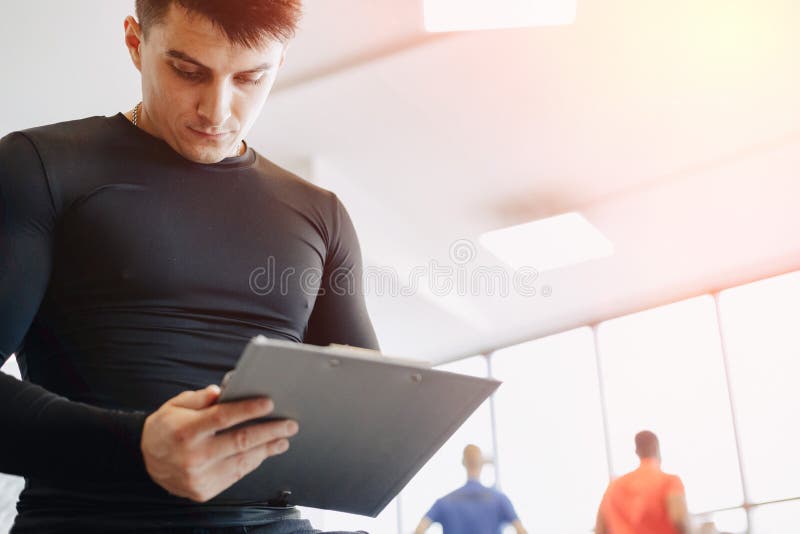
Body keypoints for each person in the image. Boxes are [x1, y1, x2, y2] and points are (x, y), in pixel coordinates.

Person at [0, 1, 380, 532]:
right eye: (187, 71)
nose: (217, 110)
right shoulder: (38, 167)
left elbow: (364, 418)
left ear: (281, 63)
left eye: (250, 77)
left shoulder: (321, 215)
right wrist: (137, 449)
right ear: (135, 44)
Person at [414, 445, 527, 534]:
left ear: (464, 463)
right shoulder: (499, 499)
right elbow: (521, 531)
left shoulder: (444, 502)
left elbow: (420, 530)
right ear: (481, 464)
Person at [595, 431, 690, 534]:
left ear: (637, 451)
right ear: (656, 448)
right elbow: (679, 518)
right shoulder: (669, 481)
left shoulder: (613, 487)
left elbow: (600, 529)